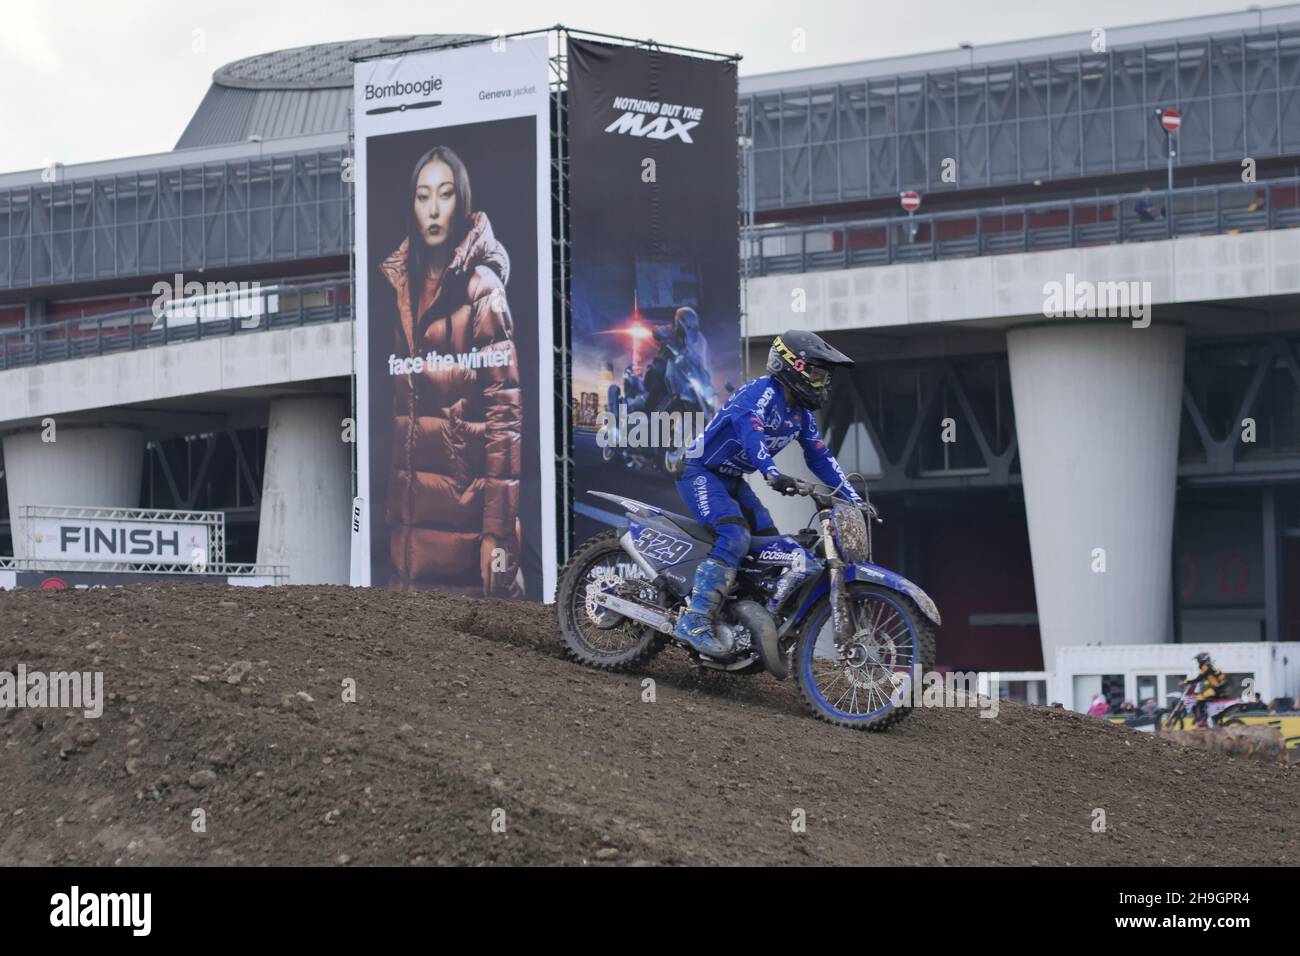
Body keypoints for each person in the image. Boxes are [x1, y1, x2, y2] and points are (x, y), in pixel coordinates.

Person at [378, 145, 523, 597]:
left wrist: (496, 535)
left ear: (462, 200)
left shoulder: (483, 290)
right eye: (423, 197)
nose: (434, 209)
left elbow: (506, 421)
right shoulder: (402, 286)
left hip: (465, 532)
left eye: (445, 195)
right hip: (409, 533)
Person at [671, 329, 862, 657]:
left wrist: (855, 500)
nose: (822, 382)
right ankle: (696, 619)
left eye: (825, 376)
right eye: (817, 374)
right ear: (793, 367)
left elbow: (819, 455)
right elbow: (751, 434)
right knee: (734, 534)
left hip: (732, 479)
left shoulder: (801, 415)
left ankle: (741, 618)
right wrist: (771, 473)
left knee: (772, 544)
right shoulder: (759, 393)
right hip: (700, 472)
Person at [1184, 651, 1229, 727]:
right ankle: (1205, 716)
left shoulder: (1206, 667)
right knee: (1202, 697)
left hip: (1217, 689)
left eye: (1198, 660)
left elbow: (1199, 678)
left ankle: (1202, 719)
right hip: (1219, 688)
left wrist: (1188, 681)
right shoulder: (1210, 666)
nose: (1198, 662)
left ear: (1203, 660)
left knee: (1200, 697)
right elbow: (1206, 678)